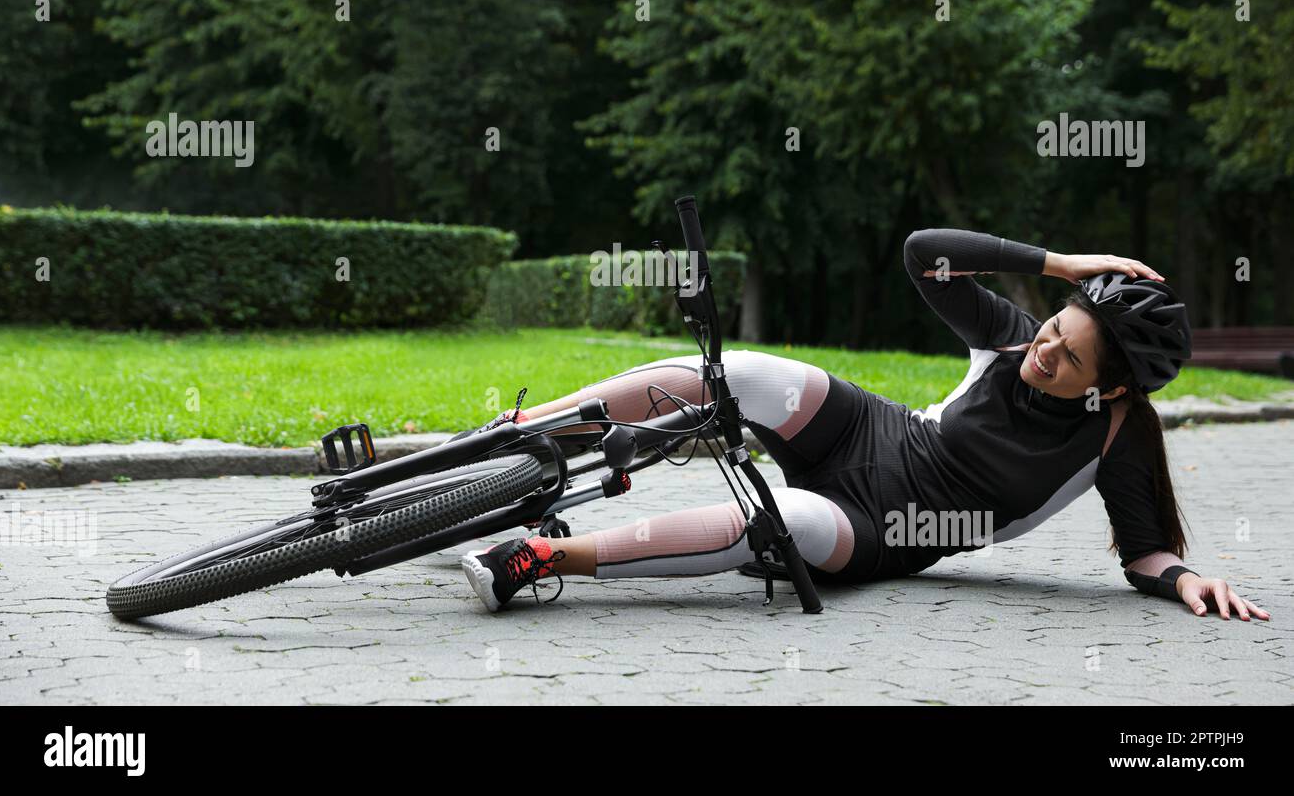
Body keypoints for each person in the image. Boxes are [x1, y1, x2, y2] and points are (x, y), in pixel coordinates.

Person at [459, 228, 1270, 623]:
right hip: (867, 432)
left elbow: (1144, 550)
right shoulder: (1011, 334)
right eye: (1058, 326)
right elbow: (924, 253)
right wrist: (1060, 266)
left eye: (1070, 358)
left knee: (778, 522)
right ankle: (533, 427)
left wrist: (1183, 579)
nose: (1045, 350)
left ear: (1112, 387)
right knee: (743, 370)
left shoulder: (1115, 437)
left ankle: (540, 555)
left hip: (878, 529)